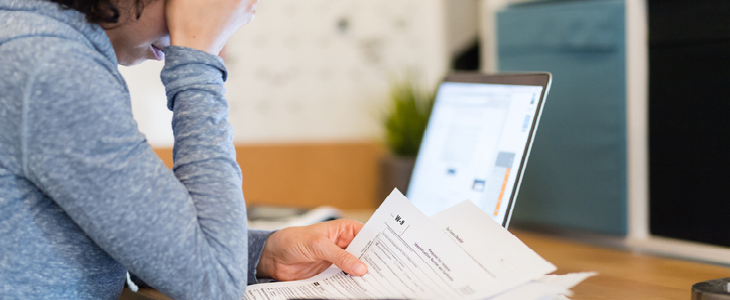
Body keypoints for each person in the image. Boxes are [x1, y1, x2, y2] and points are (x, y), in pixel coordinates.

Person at [0, 0, 368, 299]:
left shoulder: (34, 40)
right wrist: (197, 55)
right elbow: (211, 287)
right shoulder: (50, 66)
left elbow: (132, 233)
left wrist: (262, 253)